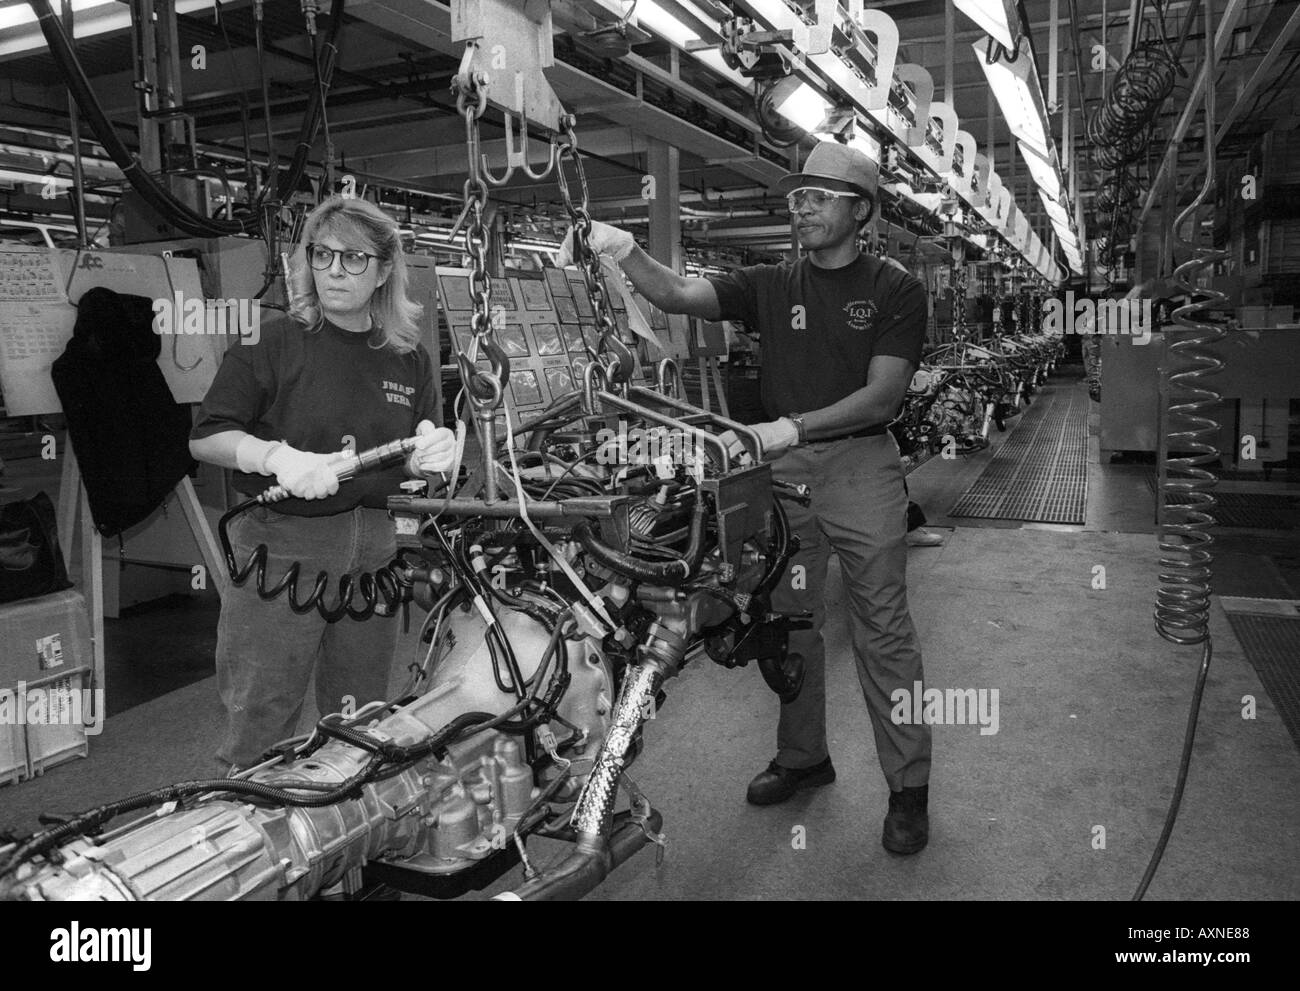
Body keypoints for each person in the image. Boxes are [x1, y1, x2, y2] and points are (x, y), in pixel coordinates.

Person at [557, 141, 933, 854]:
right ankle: (803, 757)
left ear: (860, 211)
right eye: (797, 197)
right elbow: (673, 294)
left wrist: (789, 425)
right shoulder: (770, 281)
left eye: (819, 197)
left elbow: (881, 394)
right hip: (784, 472)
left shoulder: (895, 289)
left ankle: (908, 786)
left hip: (859, 470)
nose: (803, 207)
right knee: (789, 622)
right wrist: (624, 247)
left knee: (883, 629)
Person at [190, 195, 456, 773]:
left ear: (384, 270)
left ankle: (346, 841)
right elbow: (206, 437)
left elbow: (412, 461)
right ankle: (255, 829)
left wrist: (431, 459)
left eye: (355, 258)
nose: (336, 270)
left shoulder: (406, 357)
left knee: (359, 719)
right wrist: (276, 456)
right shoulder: (273, 340)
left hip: (377, 548)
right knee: (263, 714)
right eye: (324, 254)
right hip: (283, 545)